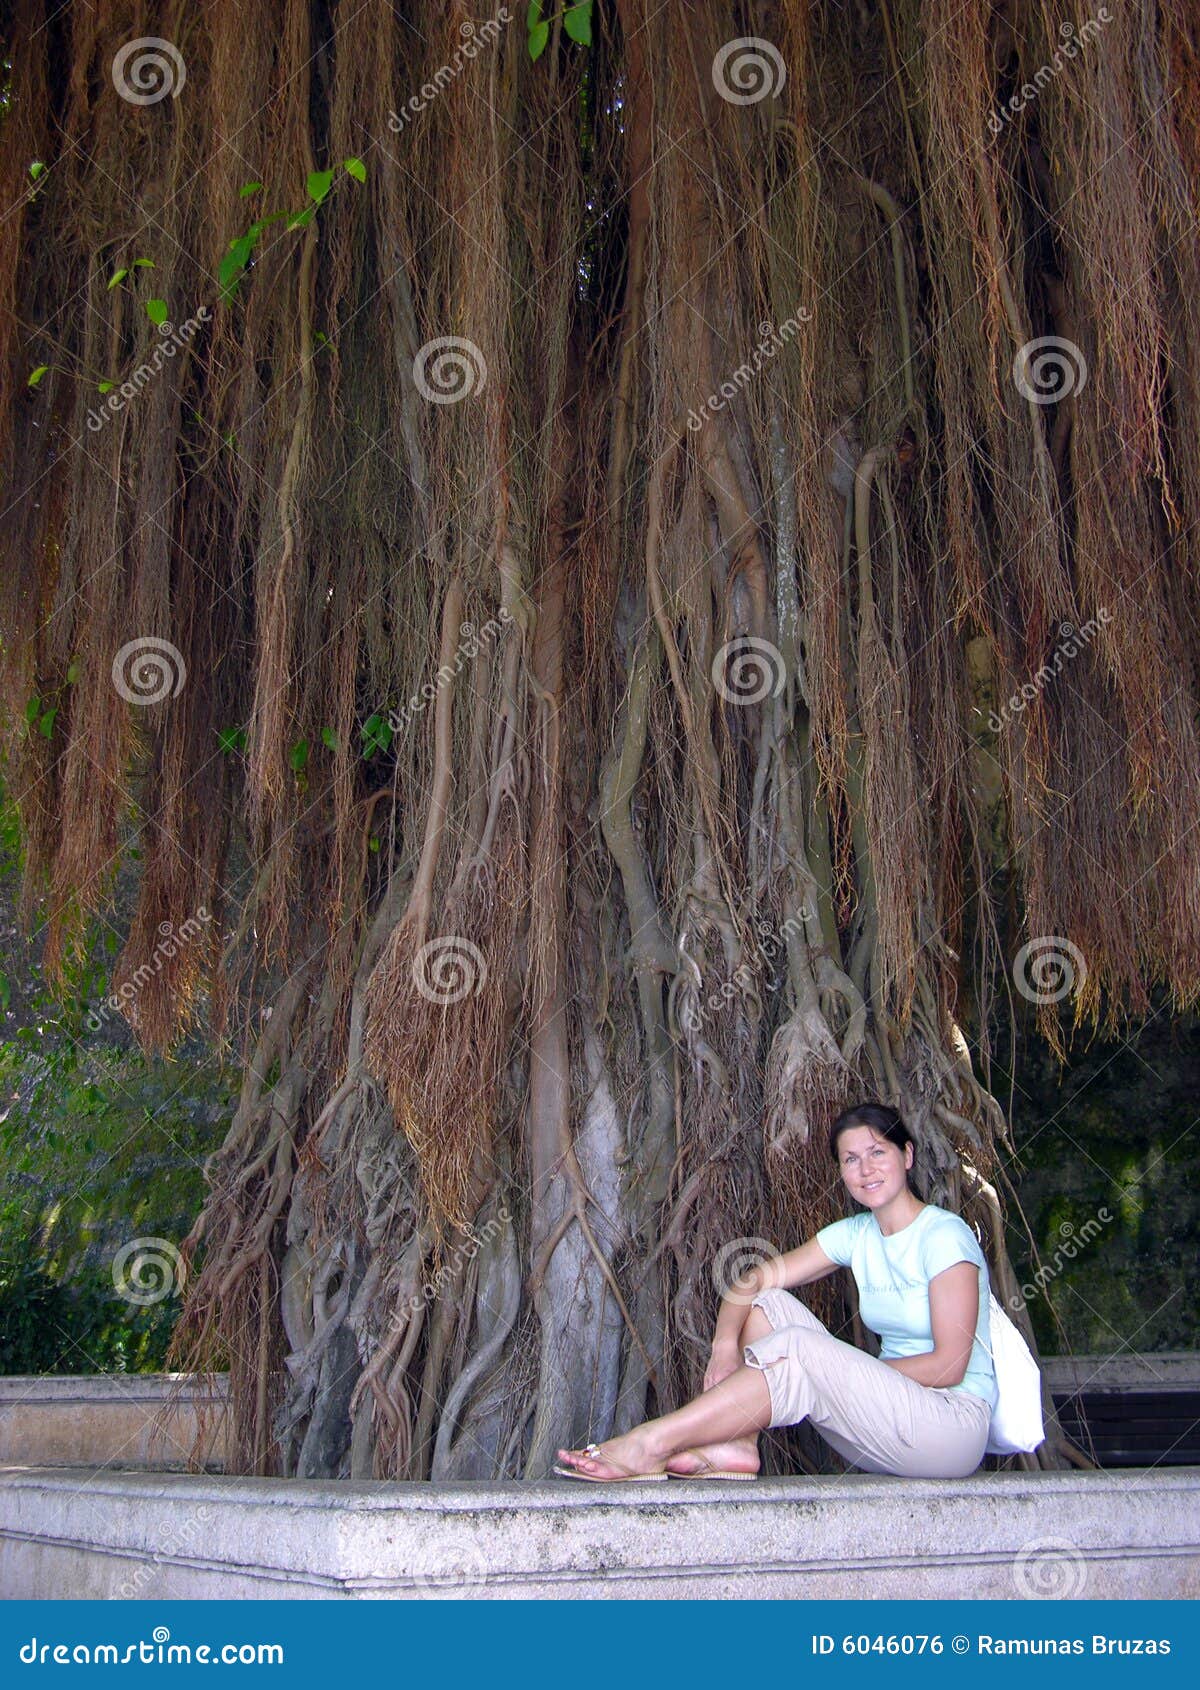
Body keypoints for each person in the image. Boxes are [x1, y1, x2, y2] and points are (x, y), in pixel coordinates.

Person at [555, 1101, 997, 1481]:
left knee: (801, 1350)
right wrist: (724, 1345)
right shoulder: (857, 1234)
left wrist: (848, 1373)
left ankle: (650, 1442)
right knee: (766, 1306)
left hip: (949, 1428)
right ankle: (738, 1445)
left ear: (907, 1155)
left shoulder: (943, 1236)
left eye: (878, 1152)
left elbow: (949, 1366)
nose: (866, 1169)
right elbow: (752, 1282)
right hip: (887, 1421)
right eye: (850, 1159)